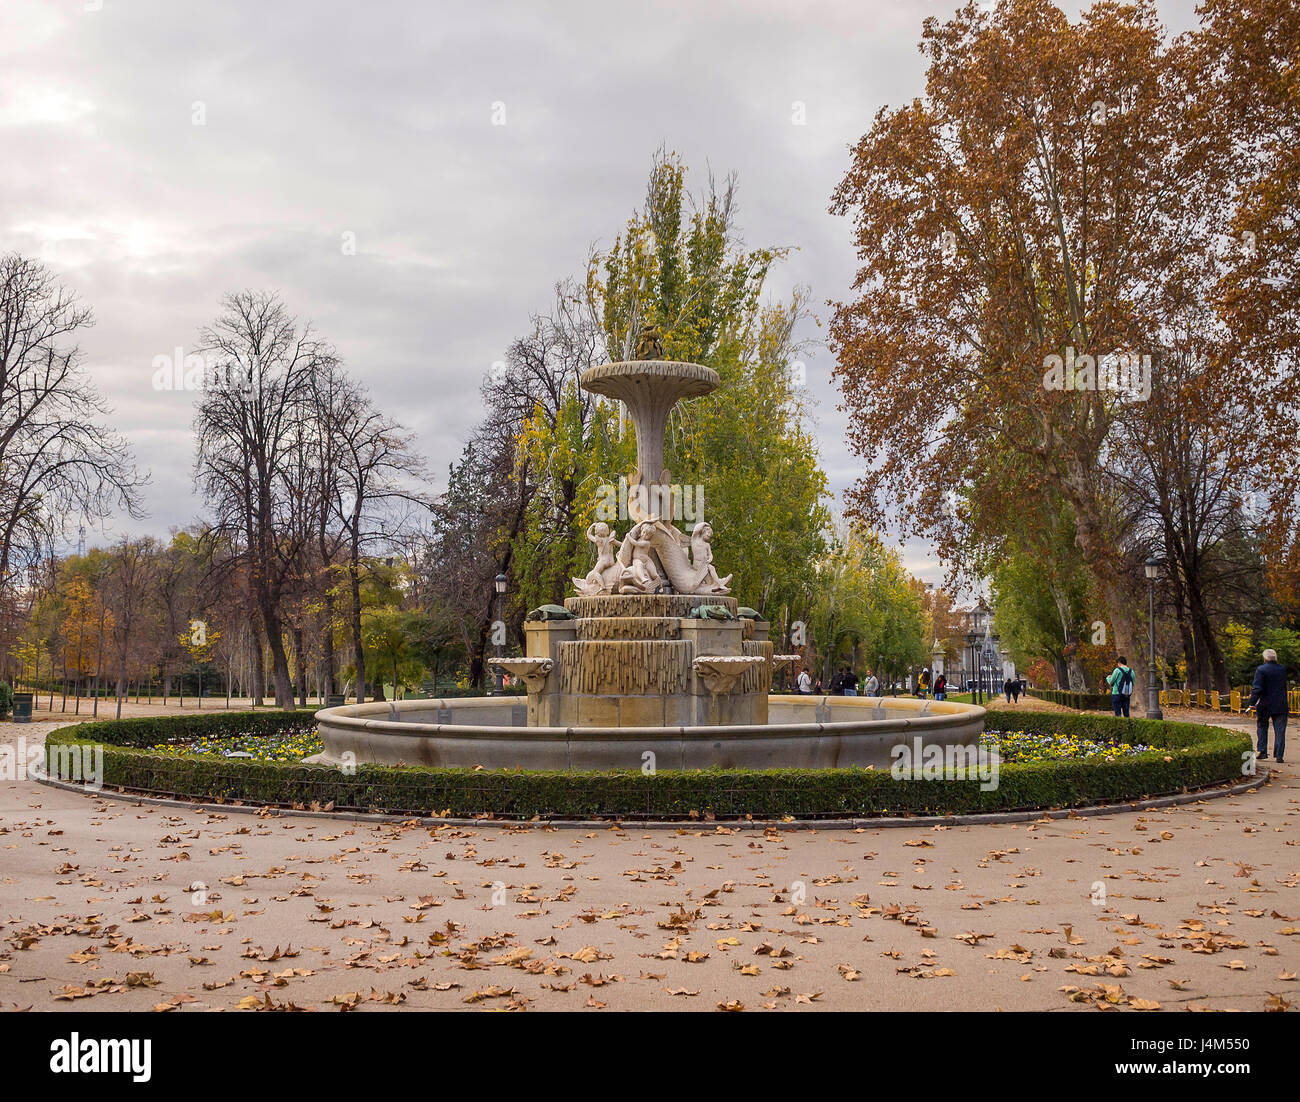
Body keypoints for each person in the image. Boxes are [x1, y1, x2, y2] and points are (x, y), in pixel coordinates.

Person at [1248, 648, 1288, 763]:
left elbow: (1257, 688)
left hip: (1265, 704)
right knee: (1280, 730)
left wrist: (1252, 703)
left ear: (1265, 658)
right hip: (1281, 704)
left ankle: (1263, 751)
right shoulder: (1282, 669)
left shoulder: (1261, 670)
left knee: (1262, 727)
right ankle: (1279, 755)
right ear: (1275, 658)